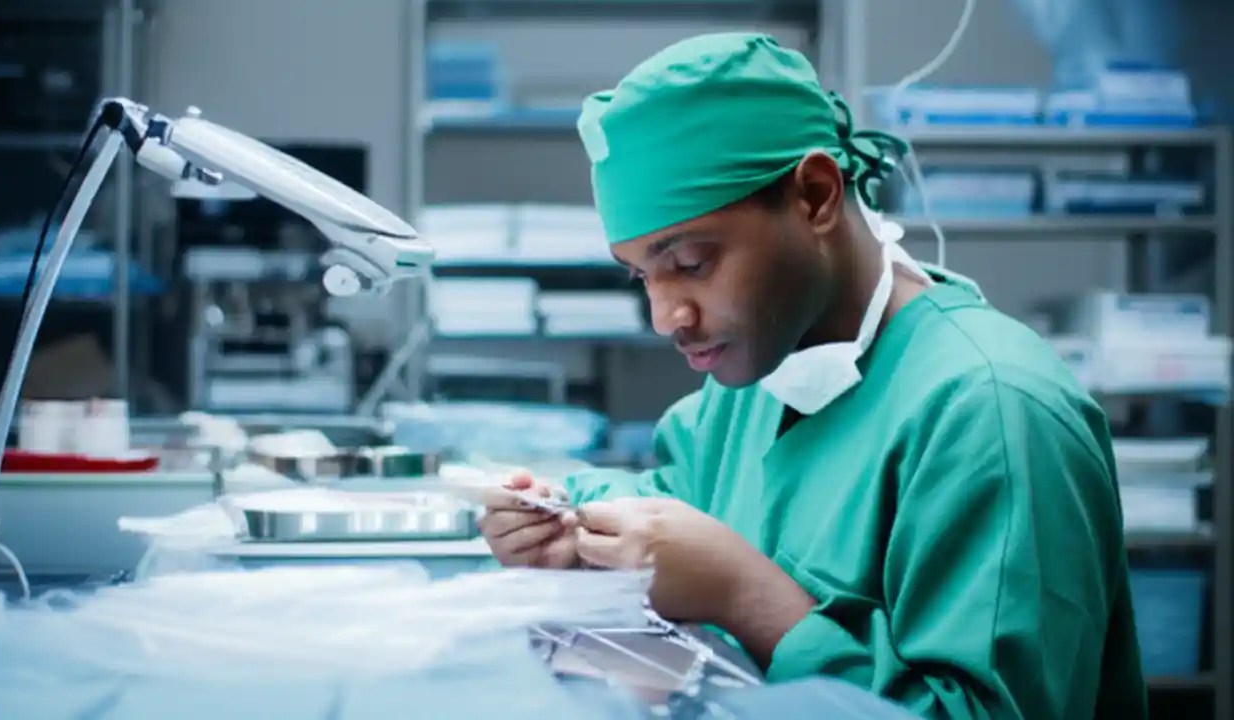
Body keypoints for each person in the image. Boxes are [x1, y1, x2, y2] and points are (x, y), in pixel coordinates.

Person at [479, 32, 1147, 720]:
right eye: (641, 275)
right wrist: (569, 524)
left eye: (691, 262)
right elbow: (683, 499)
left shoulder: (994, 411)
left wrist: (748, 598)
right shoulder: (768, 369)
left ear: (818, 194)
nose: (666, 316)